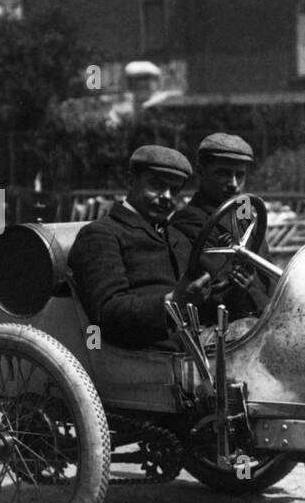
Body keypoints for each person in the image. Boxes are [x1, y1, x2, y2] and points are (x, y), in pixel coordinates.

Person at [68, 144, 212, 349]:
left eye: (174, 190)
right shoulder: (101, 235)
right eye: (157, 185)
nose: (167, 197)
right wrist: (172, 302)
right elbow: (107, 312)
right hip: (143, 352)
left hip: (194, 344)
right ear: (131, 181)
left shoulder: (176, 236)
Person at [169, 132, 276, 337]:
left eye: (240, 175)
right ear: (201, 172)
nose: (234, 184)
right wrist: (243, 291)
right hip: (224, 331)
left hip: (266, 320)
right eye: (224, 174)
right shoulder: (188, 222)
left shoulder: (245, 216)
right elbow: (206, 294)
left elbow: (270, 276)